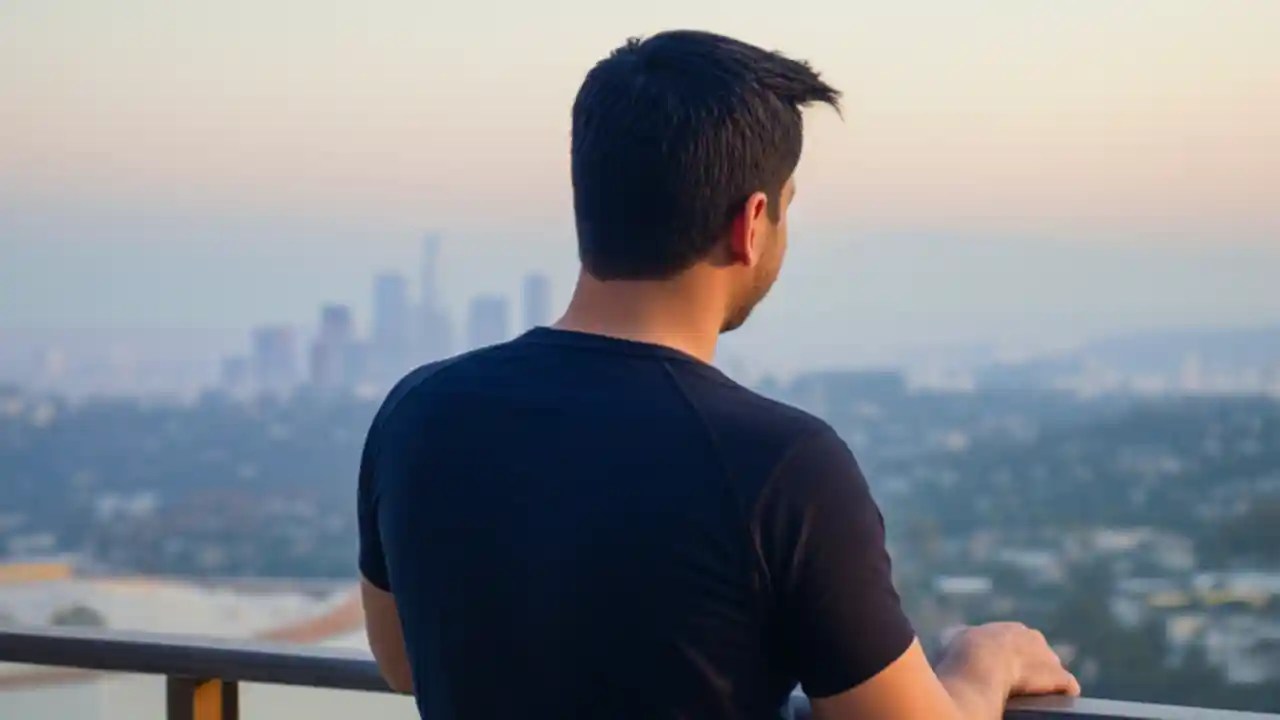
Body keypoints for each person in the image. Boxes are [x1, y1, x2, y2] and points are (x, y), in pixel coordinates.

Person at [359, 29, 1080, 719]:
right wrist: (981, 664)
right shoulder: (783, 467)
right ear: (751, 222)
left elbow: (403, 664)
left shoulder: (417, 412)